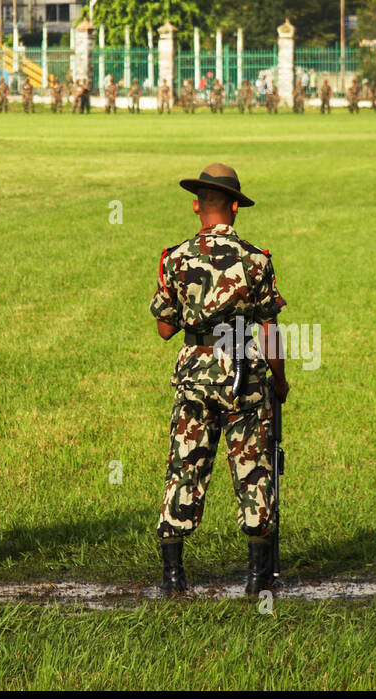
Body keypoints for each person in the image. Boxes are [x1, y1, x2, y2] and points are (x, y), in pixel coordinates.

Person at [149, 164, 290, 597]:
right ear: (234, 207)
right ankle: (256, 580)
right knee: (254, 471)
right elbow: (268, 328)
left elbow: (165, 328)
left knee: (184, 465)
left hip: (194, 375)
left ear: (196, 207)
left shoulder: (174, 259)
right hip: (244, 373)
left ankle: (174, 579)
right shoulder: (254, 259)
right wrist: (280, 381)